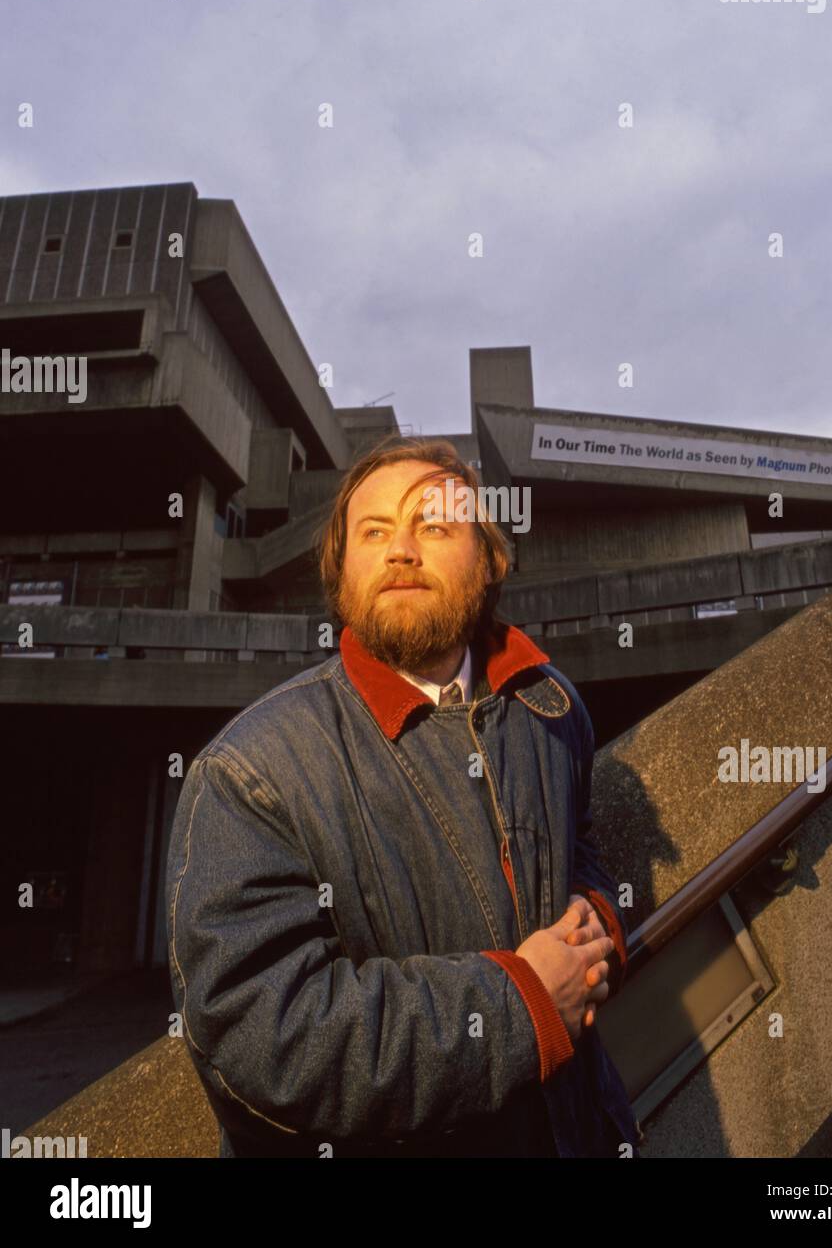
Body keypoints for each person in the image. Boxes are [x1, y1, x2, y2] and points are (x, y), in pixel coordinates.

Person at [165, 436, 639, 1157]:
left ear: (488, 559)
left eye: (435, 526)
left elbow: (582, 847)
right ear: (341, 569)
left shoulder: (550, 706)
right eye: (375, 531)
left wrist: (593, 916)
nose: (401, 551)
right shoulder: (247, 771)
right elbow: (267, 1041)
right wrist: (523, 1007)